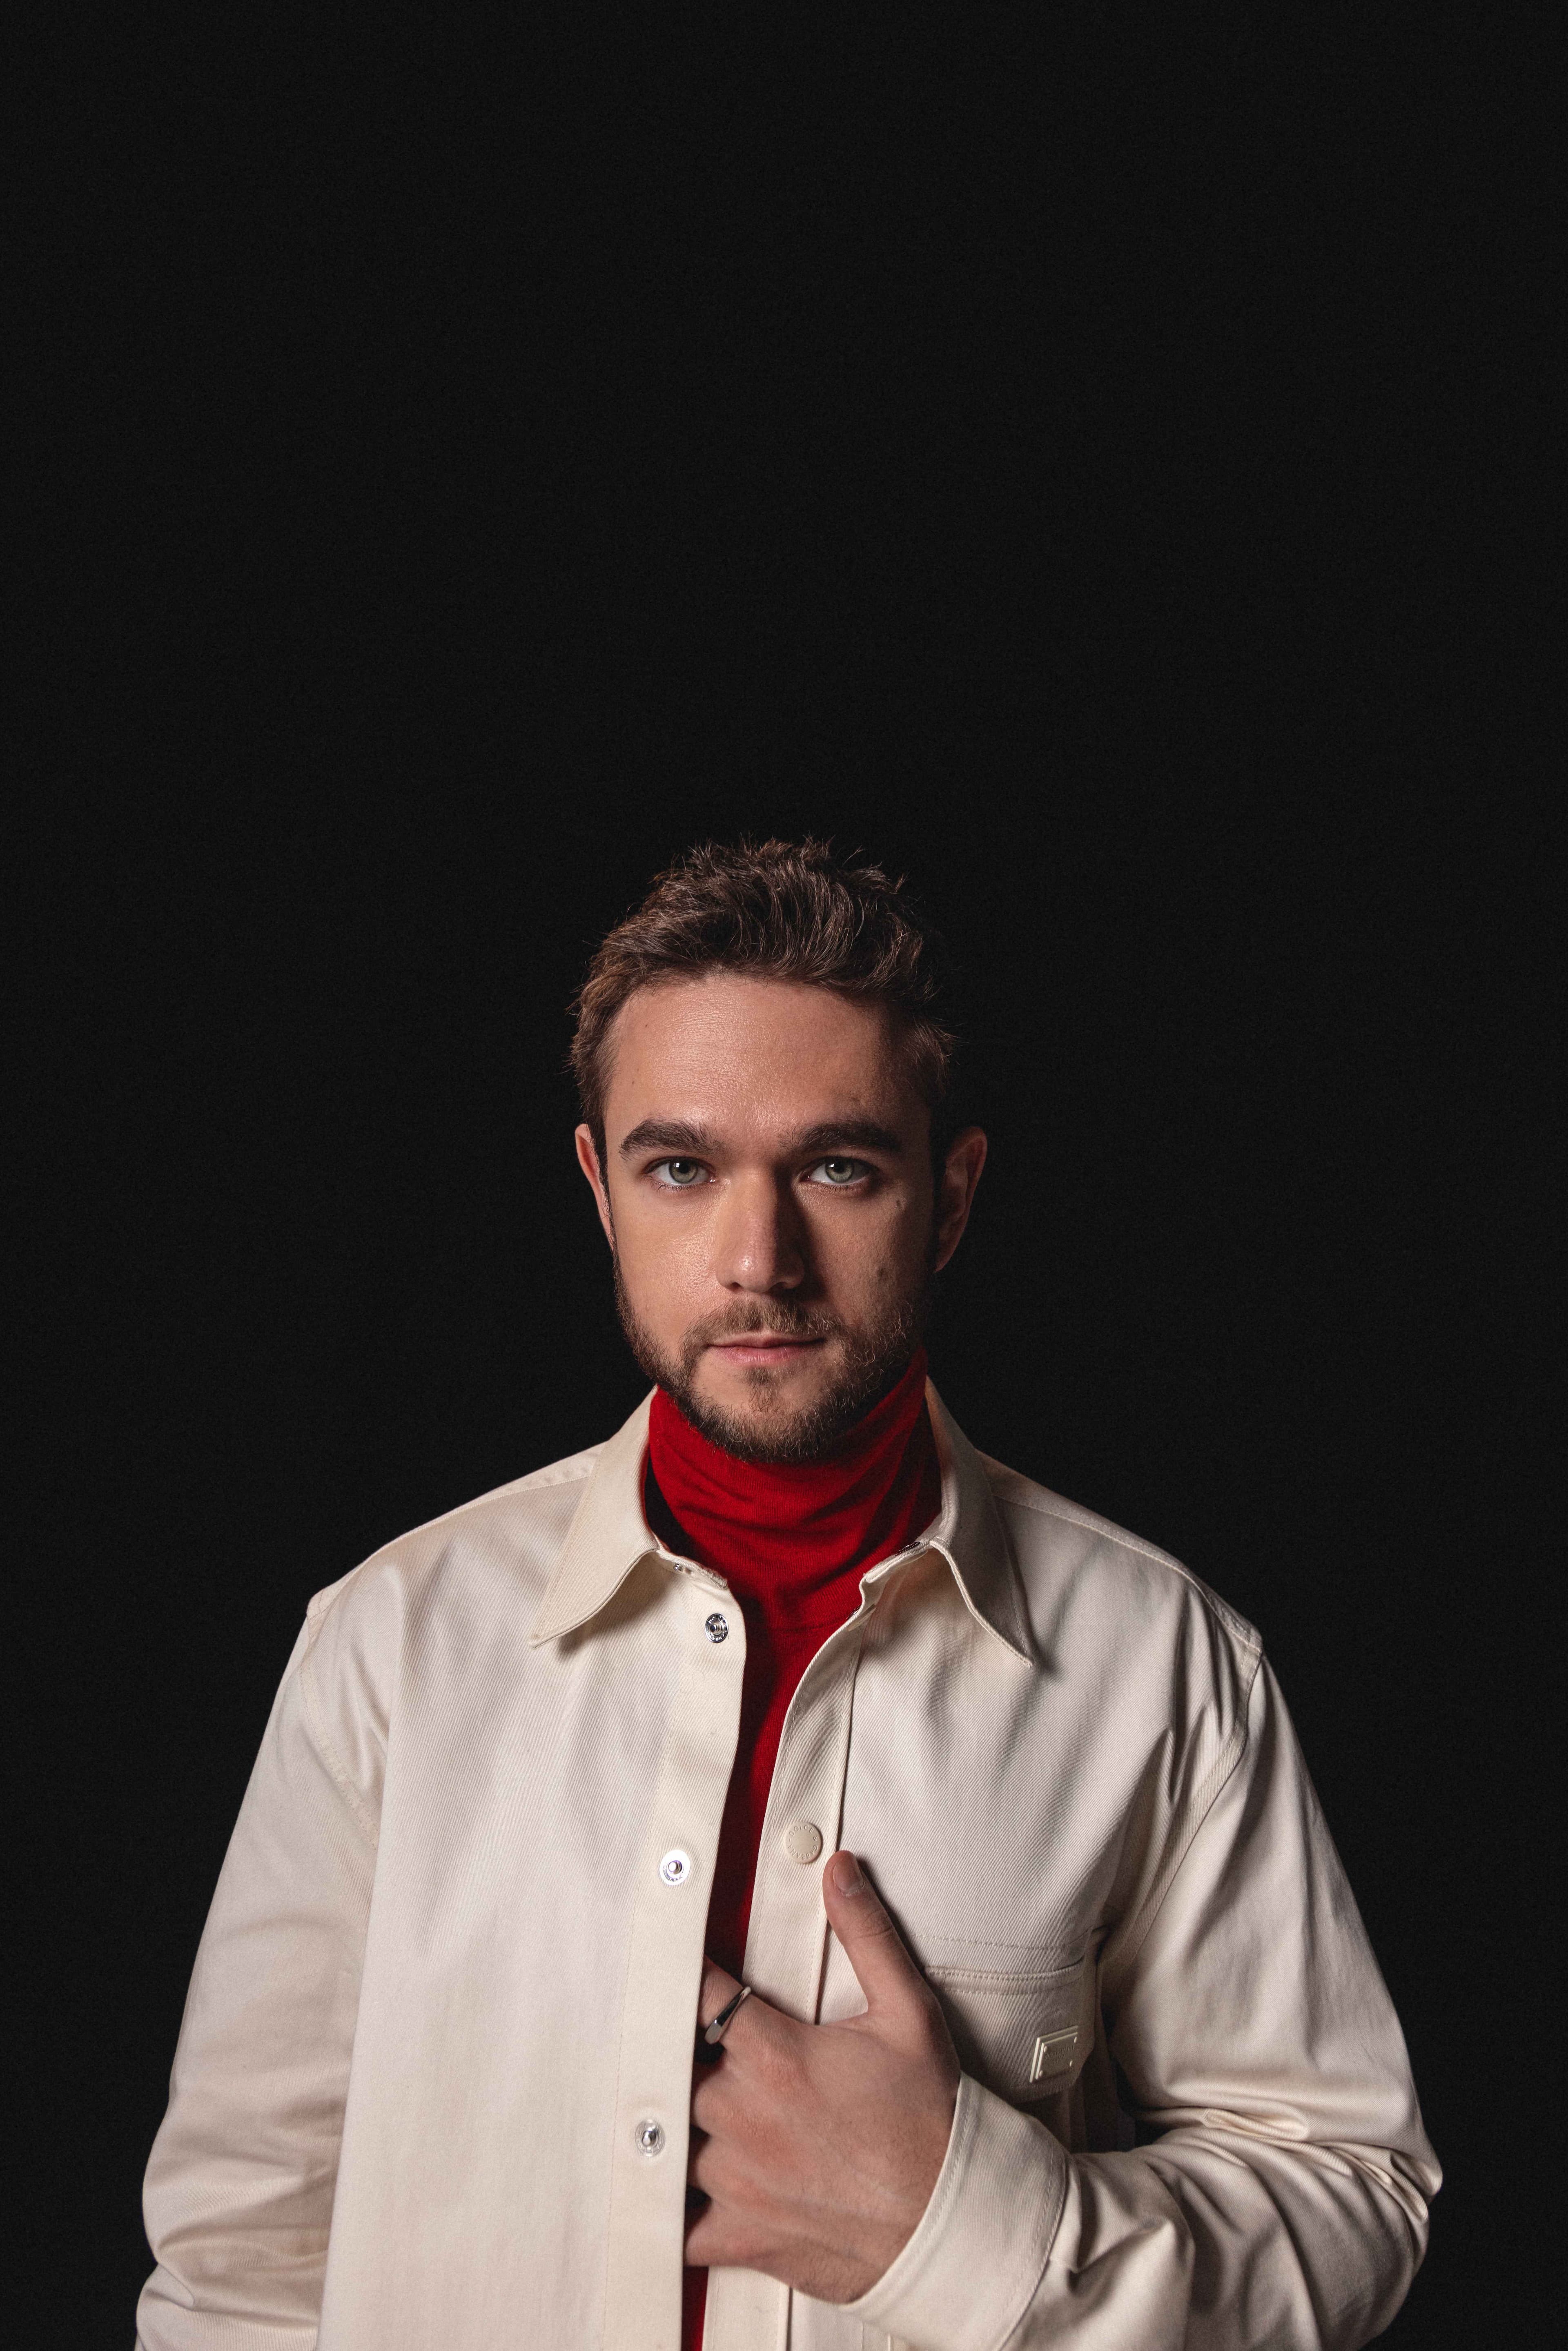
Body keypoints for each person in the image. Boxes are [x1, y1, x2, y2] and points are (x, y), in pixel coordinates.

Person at [138, 839, 1438, 2351]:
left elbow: (1353, 2191)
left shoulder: (1163, 1666)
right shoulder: (391, 1647)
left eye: (838, 1168)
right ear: (601, 1190)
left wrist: (958, 2226)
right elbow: (241, 2261)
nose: (760, 1260)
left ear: (951, 1198)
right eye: (682, 1170)